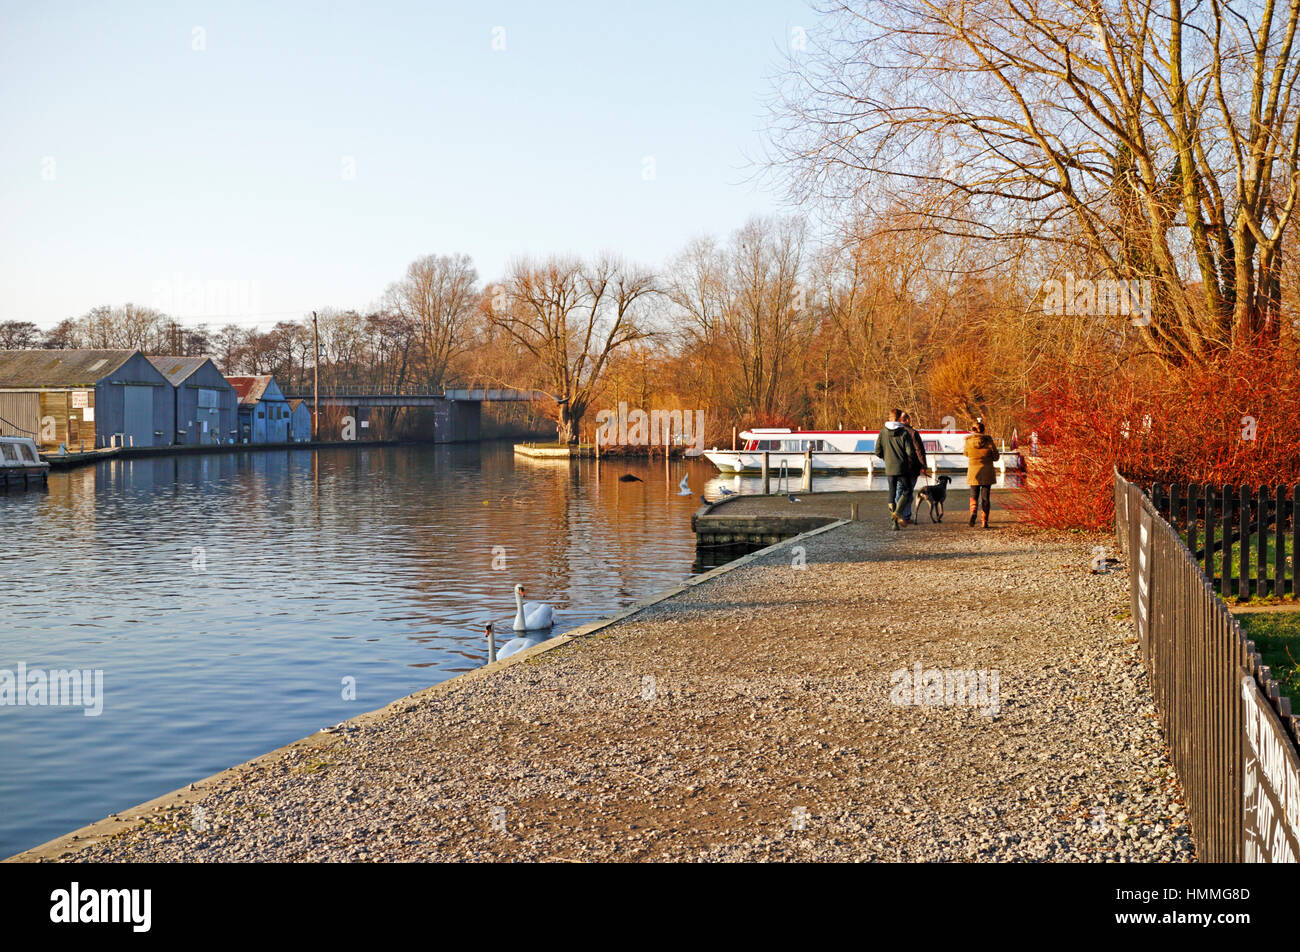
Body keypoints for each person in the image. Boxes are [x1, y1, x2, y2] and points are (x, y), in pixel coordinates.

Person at [874, 408, 919, 528]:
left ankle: (894, 524)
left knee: (892, 493)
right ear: (899, 418)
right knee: (908, 491)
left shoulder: (883, 432)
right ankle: (897, 513)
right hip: (902, 468)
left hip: (889, 468)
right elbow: (910, 452)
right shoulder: (904, 433)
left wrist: (887, 459)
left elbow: (877, 451)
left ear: (889, 417)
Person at [964, 419, 1001, 528]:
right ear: (984, 430)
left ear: (973, 430)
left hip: (973, 472)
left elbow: (966, 453)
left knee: (973, 494)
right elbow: (996, 457)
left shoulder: (968, 441)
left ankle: (973, 511)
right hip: (987, 471)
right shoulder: (989, 441)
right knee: (985, 497)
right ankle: (984, 521)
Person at [900, 412, 931, 503]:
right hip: (912, 467)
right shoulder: (913, 433)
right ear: (908, 420)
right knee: (908, 492)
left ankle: (897, 513)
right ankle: (906, 515)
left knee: (899, 492)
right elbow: (919, 451)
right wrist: (923, 466)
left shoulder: (894, 432)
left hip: (897, 468)